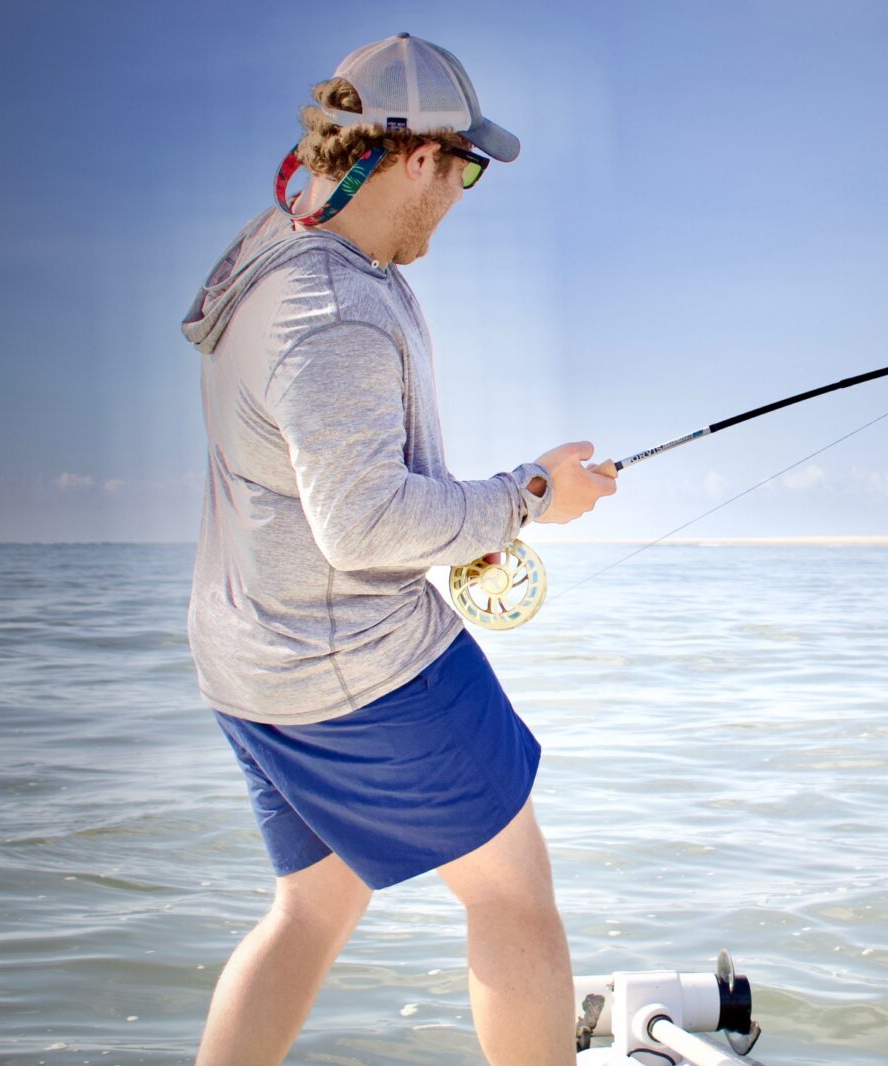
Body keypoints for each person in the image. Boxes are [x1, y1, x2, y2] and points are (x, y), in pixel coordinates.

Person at [179, 32, 614, 1066]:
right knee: (514, 896)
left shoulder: (279, 249)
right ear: (418, 157)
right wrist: (530, 496)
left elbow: (324, 487)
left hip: (251, 662)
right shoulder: (331, 309)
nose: (464, 192)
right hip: (360, 668)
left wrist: (472, 519)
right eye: (466, 168)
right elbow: (365, 525)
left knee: (311, 908)